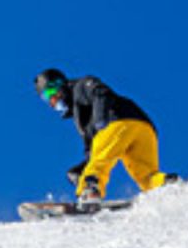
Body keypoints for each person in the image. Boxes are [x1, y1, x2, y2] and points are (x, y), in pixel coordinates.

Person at [34, 67, 173, 206]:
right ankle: (169, 186)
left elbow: (100, 92)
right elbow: (92, 150)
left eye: (51, 92)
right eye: (46, 98)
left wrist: (100, 118)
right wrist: (80, 170)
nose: (52, 100)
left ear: (61, 84)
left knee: (96, 168)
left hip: (118, 121)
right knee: (146, 177)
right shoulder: (81, 117)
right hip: (144, 129)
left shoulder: (80, 87)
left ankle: (90, 191)